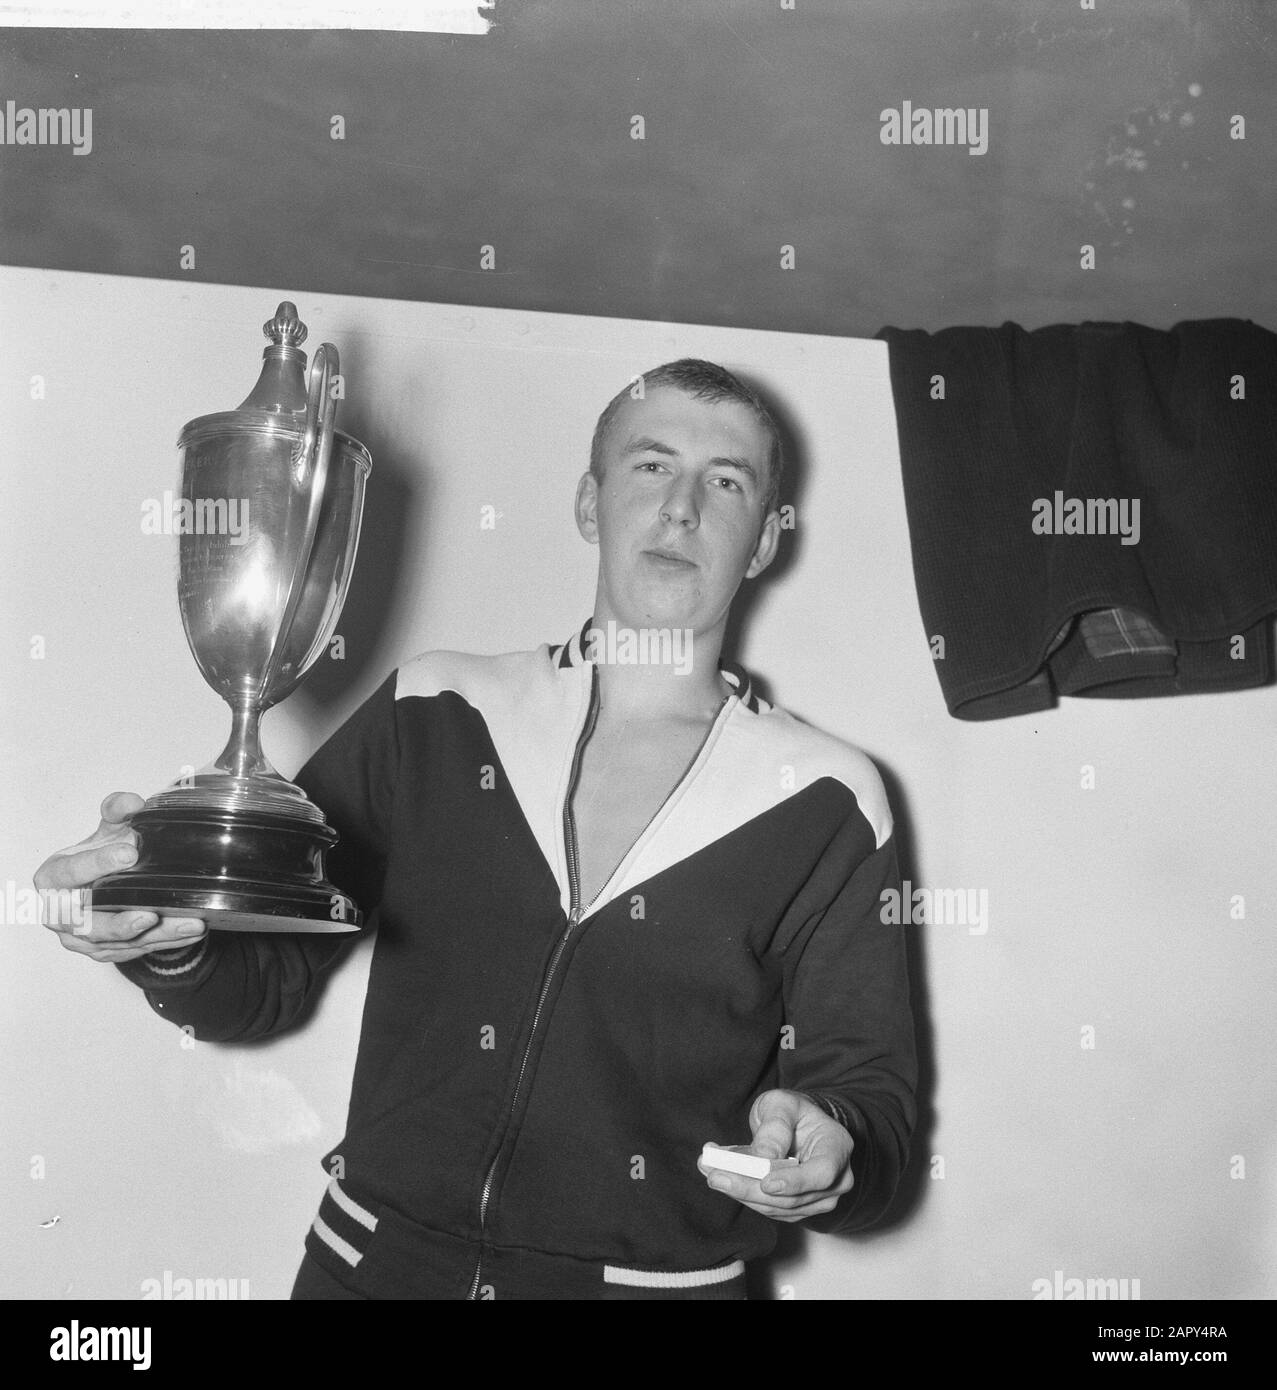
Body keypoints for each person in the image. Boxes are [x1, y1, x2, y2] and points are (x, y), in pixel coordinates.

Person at [35, 360, 917, 1300]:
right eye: (651, 467)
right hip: (370, 1272)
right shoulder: (435, 708)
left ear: (766, 540)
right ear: (590, 502)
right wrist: (165, 937)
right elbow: (262, 980)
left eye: (727, 481)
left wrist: (833, 1140)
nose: (683, 509)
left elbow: (874, 1114)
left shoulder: (826, 800)